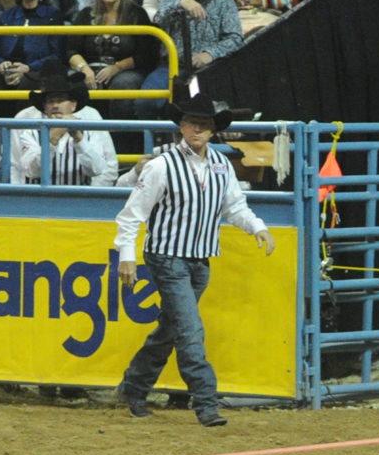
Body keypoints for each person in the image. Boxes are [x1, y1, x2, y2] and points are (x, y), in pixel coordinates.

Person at [113, 80, 278, 428]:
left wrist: (257, 227)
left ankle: (133, 386)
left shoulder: (220, 165)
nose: (197, 128)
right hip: (167, 257)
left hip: (199, 260)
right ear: (182, 126)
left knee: (172, 329)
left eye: (203, 123)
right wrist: (126, 255)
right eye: (191, 122)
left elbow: (235, 206)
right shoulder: (161, 165)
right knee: (189, 330)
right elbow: (132, 214)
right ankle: (205, 402)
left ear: (213, 128)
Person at [143, 0, 242, 104]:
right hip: (171, 66)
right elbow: (159, 18)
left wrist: (210, 54)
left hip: (210, 68)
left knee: (210, 107)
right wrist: (181, 3)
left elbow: (235, 38)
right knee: (145, 103)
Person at [68, 0, 156, 116]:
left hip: (126, 70)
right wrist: (84, 68)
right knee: (73, 81)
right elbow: (71, 50)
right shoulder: (86, 14)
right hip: (90, 67)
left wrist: (117, 67)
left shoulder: (137, 14)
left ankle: (120, 138)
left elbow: (145, 55)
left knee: (123, 84)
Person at [11, 66, 119, 185]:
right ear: (44, 107)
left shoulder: (89, 131)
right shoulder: (30, 134)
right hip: (39, 200)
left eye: (61, 100)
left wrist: (79, 138)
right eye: (50, 101)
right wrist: (52, 140)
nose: (55, 105)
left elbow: (97, 169)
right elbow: (33, 171)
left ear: (73, 105)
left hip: (79, 199)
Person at [0, 0, 68, 90]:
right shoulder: (5, 16)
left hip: (36, 71)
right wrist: (0, 63)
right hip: (6, 70)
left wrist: (28, 68)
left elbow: (57, 55)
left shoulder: (53, 16)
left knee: (27, 83)